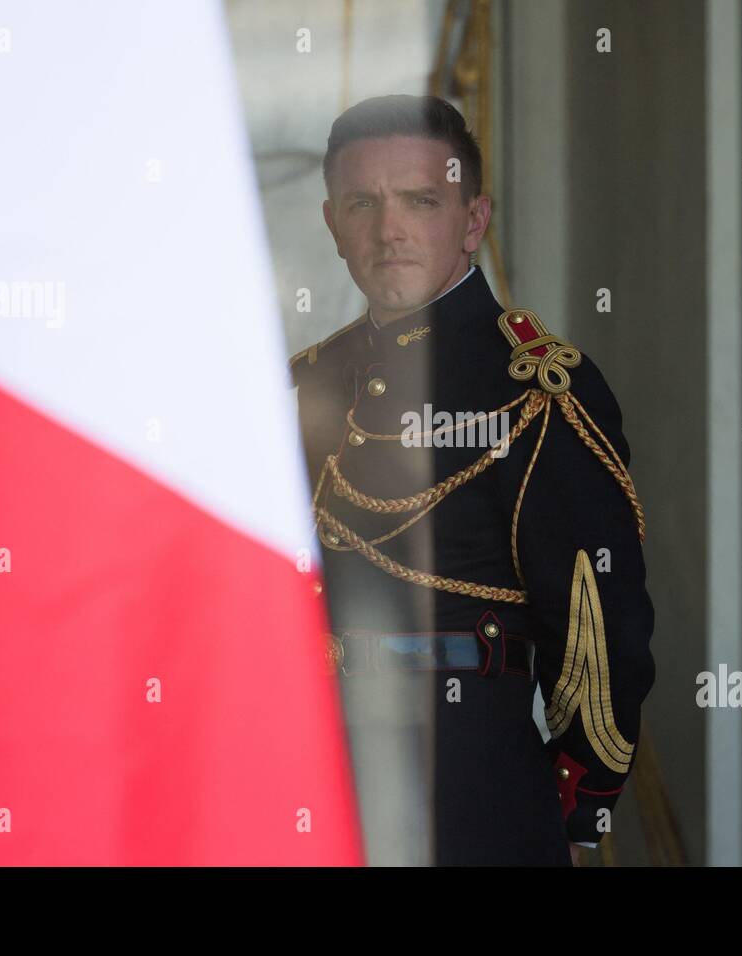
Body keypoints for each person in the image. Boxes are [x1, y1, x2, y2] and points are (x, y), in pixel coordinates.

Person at [288, 94, 656, 865]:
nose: (389, 230)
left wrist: (569, 798)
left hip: (473, 789)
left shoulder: (534, 389)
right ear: (331, 223)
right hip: (310, 779)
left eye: (420, 201)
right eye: (363, 203)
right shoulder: (305, 387)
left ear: (474, 219)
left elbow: (600, 626)